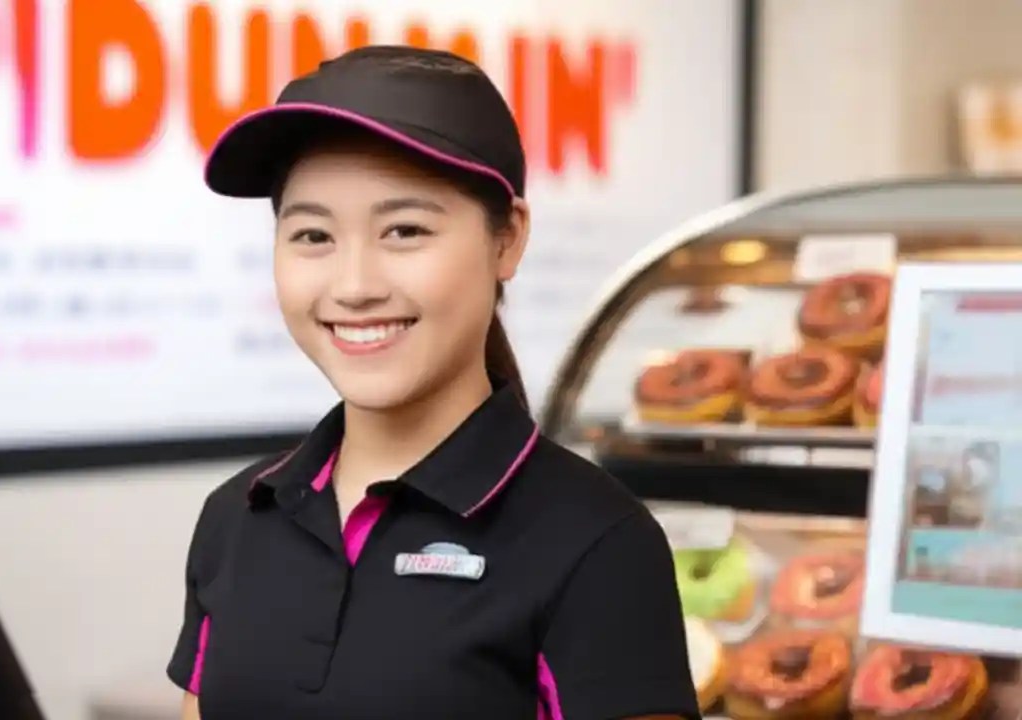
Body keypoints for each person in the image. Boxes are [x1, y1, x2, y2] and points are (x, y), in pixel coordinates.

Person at [167, 45, 698, 720]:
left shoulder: (597, 543)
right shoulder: (237, 517)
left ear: (508, 239)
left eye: (404, 230)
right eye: (313, 236)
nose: (354, 285)